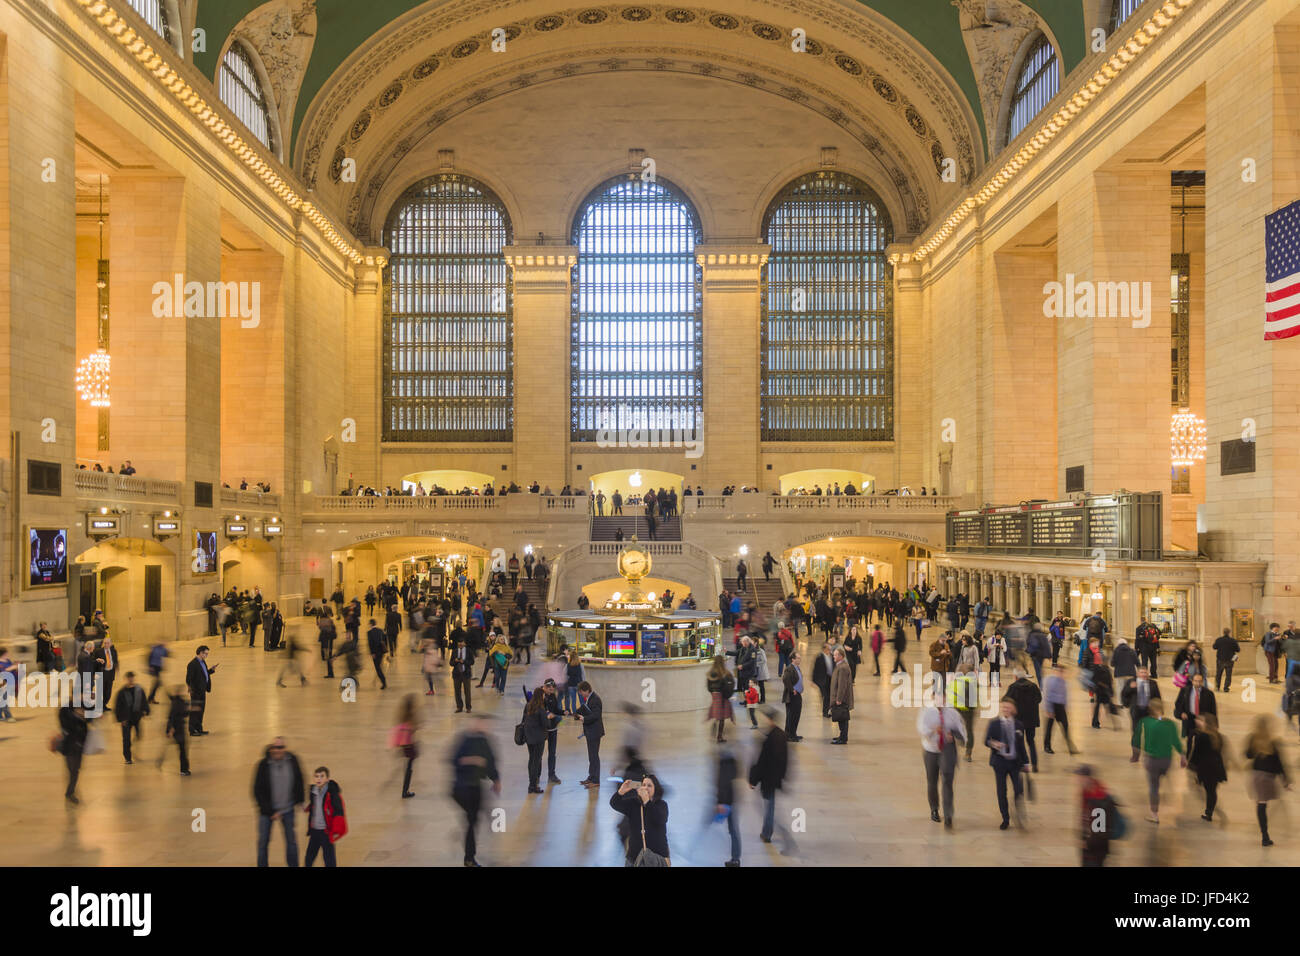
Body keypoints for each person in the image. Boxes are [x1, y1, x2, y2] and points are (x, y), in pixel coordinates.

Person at [450, 713, 501, 866]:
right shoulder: (468, 739)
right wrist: (472, 760)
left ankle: (469, 851)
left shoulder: (481, 740)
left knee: (473, 819)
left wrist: (496, 780)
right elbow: (454, 760)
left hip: (470, 787)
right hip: (465, 788)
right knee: (472, 820)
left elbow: (490, 763)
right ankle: (469, 858)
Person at [1131, 698, 1184, 824]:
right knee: (1164, 776)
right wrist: (1183, 755)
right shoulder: (1171, 724)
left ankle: (1154, 814)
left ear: (1150, 709)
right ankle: (1170, 794)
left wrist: (1136, 755)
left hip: (1151, 760)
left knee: (1154, 787)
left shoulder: (1145, 722)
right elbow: (1176, 741)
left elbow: (1136, 740)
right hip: (1167, 759)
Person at [253, 737, 304, 866]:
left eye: (280, 747)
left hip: (288, 809)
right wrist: (270, 811)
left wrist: (300, 800)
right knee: (263, 842)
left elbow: (299, 779)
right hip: (267, 811)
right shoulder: (263, 765)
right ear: (271, 749)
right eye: (275, 747)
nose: (277, 750)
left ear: (285, 749)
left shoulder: (292, 760)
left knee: (291, 842)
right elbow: (257, 790)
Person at [1244, 714, 1291, 846]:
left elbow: (1247, 755)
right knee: (1263, 804)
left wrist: (1253, 747)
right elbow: (1280, 763)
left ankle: (1264, 833)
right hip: (1267, 778)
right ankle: (1265, 836)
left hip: (1255, 776)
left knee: (1260, 804)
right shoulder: (1274, 742)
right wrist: (1285, 780)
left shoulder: (1253, 739)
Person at [984, 698, 1029, 830]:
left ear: (1013, 709)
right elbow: (986, 740)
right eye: (1004, 708)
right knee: (1001, 791)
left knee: (1018, 790)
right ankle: (1005, 818)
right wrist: (994, 744)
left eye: (1008, 708)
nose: (1005, 710)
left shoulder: (1019, 725)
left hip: (1015, 763)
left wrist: (1026, 762)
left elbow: (1022, 745)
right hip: (1000, 762)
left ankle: (1018, 812)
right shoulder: (994, 724)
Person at [918, 700, 965, 829]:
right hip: (931, 750)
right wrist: (934, 730)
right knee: (932, 781)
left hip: (947, 751)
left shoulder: (953, 713)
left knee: (947, 781)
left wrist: (953, 735)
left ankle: (948, 814)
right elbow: (922, 730)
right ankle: (934, 809)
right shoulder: (926, 711)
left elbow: (962, 733)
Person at [749, 705, 789, 846]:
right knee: (769, 805)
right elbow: (785, 759)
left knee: (769, 806)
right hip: (775, 778)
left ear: (770, 720)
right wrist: (783, 776)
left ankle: (767, 833)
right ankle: (767, 831)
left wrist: (753, 780)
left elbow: (762, 762)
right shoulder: (782, 735)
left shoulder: (770, 738)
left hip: (769, 779)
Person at [610, 774, 670, 866]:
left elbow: (660, 819)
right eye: (644, 785)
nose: (645, 788)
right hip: (634, 858)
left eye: (649, 786)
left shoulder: (661, 805)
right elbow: (614, 803)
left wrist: (647, 801)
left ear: (655, 789)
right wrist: (621, 791)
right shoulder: (633, 804)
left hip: (656, 858)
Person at [1186, 713, 1229, 824]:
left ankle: (1209, 812)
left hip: (1205, 768)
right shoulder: (1219, 736)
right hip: (1217, 767)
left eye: (1202, 720)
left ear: (1206, 723)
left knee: (1208, 790)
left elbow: (1196, 754)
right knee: (1212, 791)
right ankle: (1209, 812)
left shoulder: (1202, 736)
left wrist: (1191, 766)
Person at [1077, 765, 1119, 867]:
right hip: (1089, 846)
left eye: (1080, 777)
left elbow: (1100, 831)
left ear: (1087, 778)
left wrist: (1087, 843)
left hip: (1095, 850)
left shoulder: (1099, 798)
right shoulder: (1087, 792)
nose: (1077, 780)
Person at [305, 767, 346, 867]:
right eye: (316, 776)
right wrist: (308, 808)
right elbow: (315, 806)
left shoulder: (332, 793)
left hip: (326, 832)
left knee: (329, 859)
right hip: (315, 831)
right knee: (309, 858)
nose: (319, 779)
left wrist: (336, 830)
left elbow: (338, 811)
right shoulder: (313, 792)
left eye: (322, 776)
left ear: (327, 779)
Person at [1003, 669, 1043, 772]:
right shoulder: (1033, 686)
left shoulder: (1013, 687)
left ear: (1016, 677)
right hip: (1031, 720)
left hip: (1018, 720)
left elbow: (1006, 700)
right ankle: (1035, 765)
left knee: (1019, 742)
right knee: (1031, 742)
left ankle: (1022, 764)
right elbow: (1039, 699)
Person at [1042, 664, 1079, 756]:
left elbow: (1065, 696)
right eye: (1060, 672)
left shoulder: (1064, 682)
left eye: (1063, 672)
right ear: (1056, 671)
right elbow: (1047, 696)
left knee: (1065, 726)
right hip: (1052, 707)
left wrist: (1066, 708)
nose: (1062, 674)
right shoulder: (1051, 681)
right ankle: (1047, 746)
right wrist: (1049, 710)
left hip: (1061, 708)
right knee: (1049, 728)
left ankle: (1070, 747)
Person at [113, 672, 149, 764]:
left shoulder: (139, 689)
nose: (131, 680)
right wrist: (120, 719)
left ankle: (134, 749)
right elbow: (117, 706)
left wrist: (146, 711)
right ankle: (128, 758)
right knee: (126, 739)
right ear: (126, 679)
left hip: (137, 717)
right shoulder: (121, 692)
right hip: (126, 719)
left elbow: (144, 701)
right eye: (129, 678)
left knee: (139, 735)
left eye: (132, 678)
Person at [715, 745, 742, 866]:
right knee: (733, 830)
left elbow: (722, 785)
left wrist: (721, 802)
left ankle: (736, 859)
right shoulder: (732, 765)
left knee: (733, 830)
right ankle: (735, 858)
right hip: (732, 801)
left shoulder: (724, 765)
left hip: (727, 803)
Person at [57, 704, 89, 804]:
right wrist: (77, 717)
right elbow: (66, 726)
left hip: (79, 747)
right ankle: (70, 792)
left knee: (76, 770)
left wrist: (83, 718)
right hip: (69, 747)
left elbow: (85, 729)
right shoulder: (65, 710)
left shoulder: (82, 709)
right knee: (73, 771)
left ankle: (70, 791)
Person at [1173, 672, 1217, 744]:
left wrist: (1214, 724)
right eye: (1196, 681)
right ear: (1192, 681)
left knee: (1202, 741)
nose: (1198, 683)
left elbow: (1213, 710)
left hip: (1202, 721)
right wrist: (1181, 713)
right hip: (1189, 719)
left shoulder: (1209, 694)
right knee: (1189, 741)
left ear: (1202, 682)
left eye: (1200, 681)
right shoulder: (1184, 690)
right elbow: (1178, 703)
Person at [521, 688, 551, 794]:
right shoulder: (541, 709)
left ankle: (531, 784)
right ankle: (532, 785)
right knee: (536, 761)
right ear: (541, 696)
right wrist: (548, 717)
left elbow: (523, 721)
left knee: (531, 759)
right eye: (543, 695)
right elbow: (546, 724)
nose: (544, 697)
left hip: (529, 738)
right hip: (539, 738)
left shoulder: (528, 706)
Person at [575, 681, 604, 788]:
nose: (581, 694)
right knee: (591, 756)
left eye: (582, 692)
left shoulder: (595, 699)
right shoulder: (589, 699)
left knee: (594, 756)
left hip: (595, 732)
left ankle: (596, 780)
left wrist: (584, 718)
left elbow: (596, 715)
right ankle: (591, 777)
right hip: (590, 731)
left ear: (587, 690)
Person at [391, 695, 420, 799]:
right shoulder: (410, 716)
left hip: (404, 745)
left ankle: (405, 790)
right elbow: (414, 728)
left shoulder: (403, 715)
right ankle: (405, 791)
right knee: (409, 767)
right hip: (409, 745)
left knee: (408, 766)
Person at [160, 686, 191, 775]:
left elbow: (184, 713)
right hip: (177, 729)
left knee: (182, 749)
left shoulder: (180, 701)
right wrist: (170, 729)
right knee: (182, 749)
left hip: (179, 728)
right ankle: (184, 769)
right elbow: (172, 717)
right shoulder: (176, 703)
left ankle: (184, 768)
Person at [185, 646, 215, 736]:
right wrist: (191, 689)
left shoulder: (202, 662)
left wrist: (211, 670)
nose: (206, 655)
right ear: (200, 653)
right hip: (196, 691)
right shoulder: (192, 664)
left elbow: (203, 674)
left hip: (202, 690)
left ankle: (199, 728)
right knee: (194, 710)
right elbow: (188, 679)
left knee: (201, 710)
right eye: (205, 653)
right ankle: (192, 730)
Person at [705, 656, 735, 743]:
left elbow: (708, 687)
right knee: (722, 717)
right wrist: (727, 695)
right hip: (722, 697)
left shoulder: (710, 673)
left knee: (717, 714)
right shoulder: (725, 673)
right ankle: (719, 736)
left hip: (714, 696)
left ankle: (714, 724)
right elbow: (728, 686)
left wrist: (713, 693)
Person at [541, 679, 564, 785]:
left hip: (553, 729)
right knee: (538, 754)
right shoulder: (540, 696)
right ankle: (536, 776)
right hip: (542, 729)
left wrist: (564, 712)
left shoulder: (553, 696)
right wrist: (546, 715)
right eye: (549, 688)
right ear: (544, 687)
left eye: (553, 688)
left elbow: (555, 710)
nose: (551, 690)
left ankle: (552, 775)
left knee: (552, 753)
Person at [829, 648, 853, 744]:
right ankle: (842, 736)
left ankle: (843, 738)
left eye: (835, 655)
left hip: (842, 699)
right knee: (841, 717)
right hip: (841, 698)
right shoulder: (840, 665)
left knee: (843, 718)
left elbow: (842, 685)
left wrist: (839, 699)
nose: (833, 656)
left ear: (840, 656)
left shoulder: (842, 668)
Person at [781, 651, 804, 742]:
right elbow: (785, 679)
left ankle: (793, 733)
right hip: (792, 695)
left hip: (797, 694)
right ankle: (789, 735)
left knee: (796, 715)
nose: (800, 659)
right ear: (793, 659)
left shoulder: (797, 667)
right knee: (791, 716)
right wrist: (792, 689)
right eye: (798, 658)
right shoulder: (789, 668)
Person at [1211, 628, 1241, 693]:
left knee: (1219, 674)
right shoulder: (1233, 640)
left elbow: (1214, 647)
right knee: (1228, 675)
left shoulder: (1219, 640)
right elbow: (1238, 650)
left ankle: (1217, 686)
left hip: (1220, 659)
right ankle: (1226, 688)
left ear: (1223, 632)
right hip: (1230, 660)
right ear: (1229, 632)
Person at [450, 637, 474, 713]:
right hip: (456, 674)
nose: (460, 644)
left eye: (462, 642)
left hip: (466, 673)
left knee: (467, 691)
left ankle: (468, 707)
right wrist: (455, 661)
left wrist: (464, 661)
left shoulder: (469, 651)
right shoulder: (454, 651)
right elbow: (450, 663)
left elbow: (472, 662)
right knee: (457, 691)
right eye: (459, 642)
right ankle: (459, 707)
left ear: (465, 643)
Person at [366, 619, 388, 690]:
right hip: (381, 652)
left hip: (375, 653)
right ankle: (383, 681)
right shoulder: (381, 631)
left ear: (371, 624)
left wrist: (372, 653)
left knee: (378, 668)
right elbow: (385, 640)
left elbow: (370, 643)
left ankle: (384, 682)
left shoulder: (369, 632)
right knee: (379, 667)